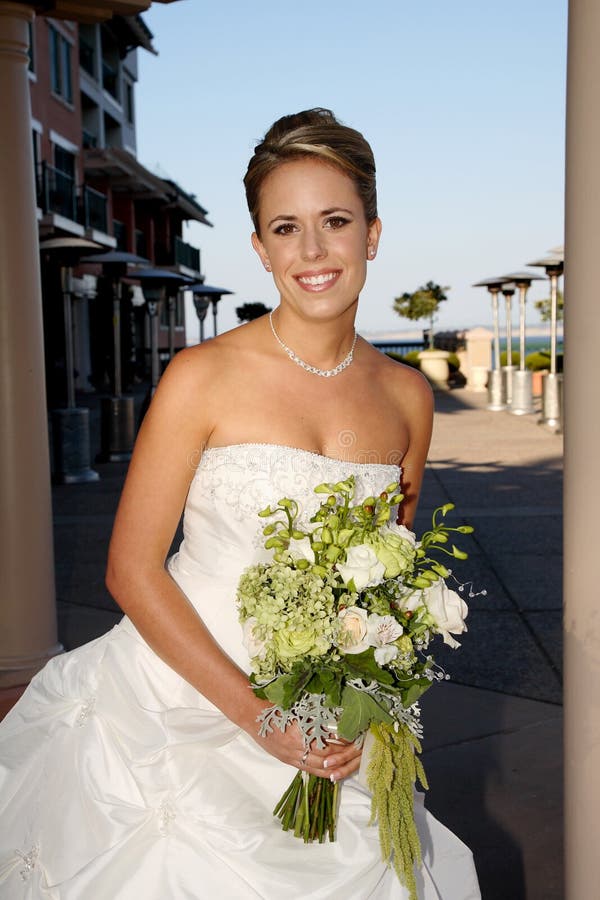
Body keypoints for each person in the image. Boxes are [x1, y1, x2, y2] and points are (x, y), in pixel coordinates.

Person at [0, 108, 480, 899]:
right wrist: (259, 716)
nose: (314, 251)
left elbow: (388, 578)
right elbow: (130, 568)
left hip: (331, 726)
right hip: (177, 702)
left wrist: (356, 703)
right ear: (260, 247)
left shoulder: (407, 397)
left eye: (335, 221)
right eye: (286, 228)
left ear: (373, 231)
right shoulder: (202, 375)